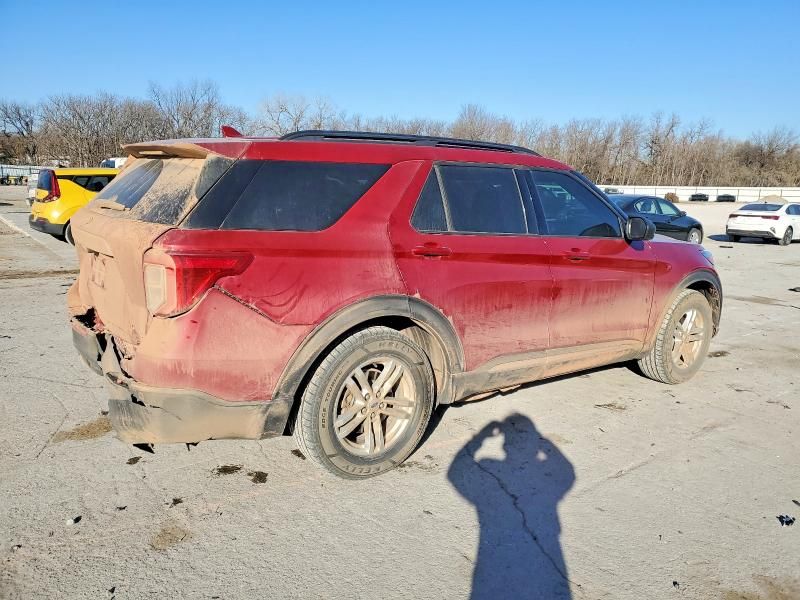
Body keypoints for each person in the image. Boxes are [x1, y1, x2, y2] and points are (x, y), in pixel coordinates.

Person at [448, 413, 575, 599]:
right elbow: (567, 472)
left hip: (493, 558)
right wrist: (542, 441)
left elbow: (455, 473)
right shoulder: (537, 473)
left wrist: (480, 437)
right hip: (544, 555)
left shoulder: (488, 465)